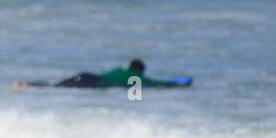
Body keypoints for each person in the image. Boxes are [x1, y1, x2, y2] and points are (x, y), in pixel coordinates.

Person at [15, 59, 187, 89]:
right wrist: (177, 85)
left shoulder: (121, 70)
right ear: (141, 70)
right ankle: (27, 85)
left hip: (87, 76)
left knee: (54, 85)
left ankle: (27, 84)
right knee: (55, 87)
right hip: (92, 84)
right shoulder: (137, 78)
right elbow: (157, 84)